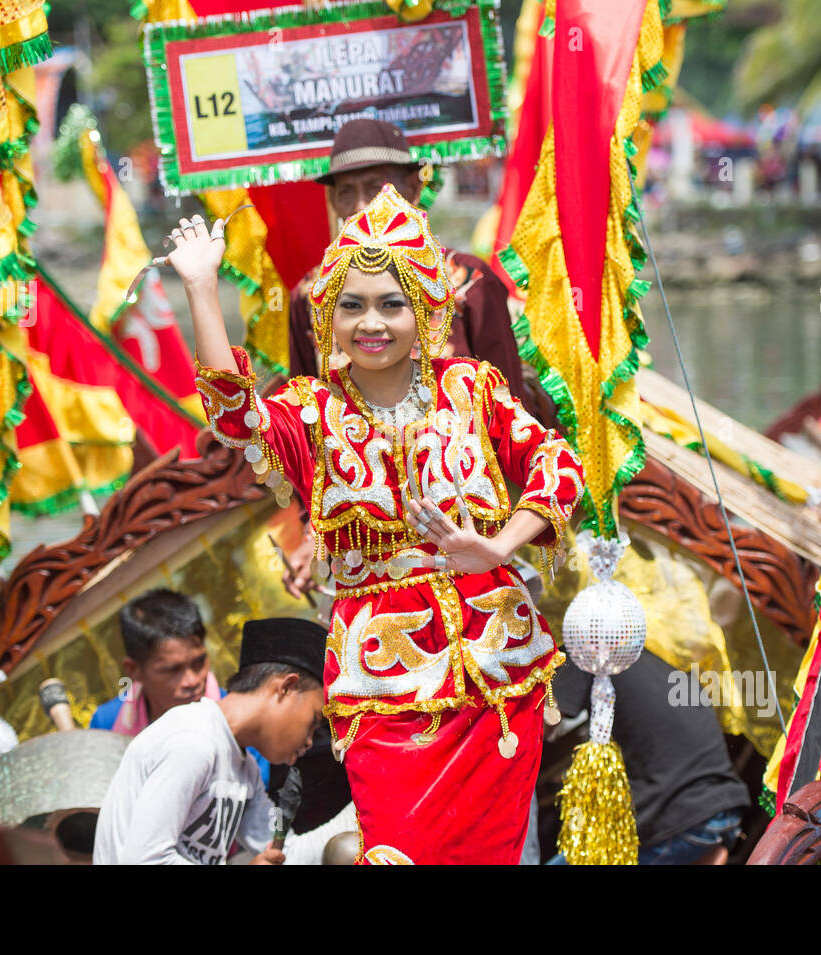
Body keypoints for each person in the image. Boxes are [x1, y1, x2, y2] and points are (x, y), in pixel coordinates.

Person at [173, 185, 584, 864]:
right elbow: (234, 416)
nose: (373, 322)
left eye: (392, 303)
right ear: (328, 317)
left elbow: (557, 463)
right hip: (384, 686)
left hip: (494, 677)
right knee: (396, 851)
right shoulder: (311, 413)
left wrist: (500, 544)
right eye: (353, 304)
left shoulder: (470, 388)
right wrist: (201, 288)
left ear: (423, 310)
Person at [288, 118, 528, 406]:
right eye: (346, 192)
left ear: (414, 188)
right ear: (333, 202)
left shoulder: (469, 282)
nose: (362, 206)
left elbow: (508, 405)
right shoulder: (312, 294)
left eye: (375, 188)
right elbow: (304, 411)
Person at [93, 617, 351, 865]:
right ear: (286, 688)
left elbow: (289, 857)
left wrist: (373, 804)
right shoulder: (194, 739)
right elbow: (143, 860)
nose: (309, 741)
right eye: (314, 721)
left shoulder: (245, 768)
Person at [552, 649, 752, 864]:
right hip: (723, 813)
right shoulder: (661, 660)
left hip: (684, 819)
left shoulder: (583, 652)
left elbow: (542, 720)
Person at [89, 588, 219, 735]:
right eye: (172, 670)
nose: (193, 681)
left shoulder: (239, 717)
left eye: (199, 662)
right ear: (133, 670)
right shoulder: (107, 725)